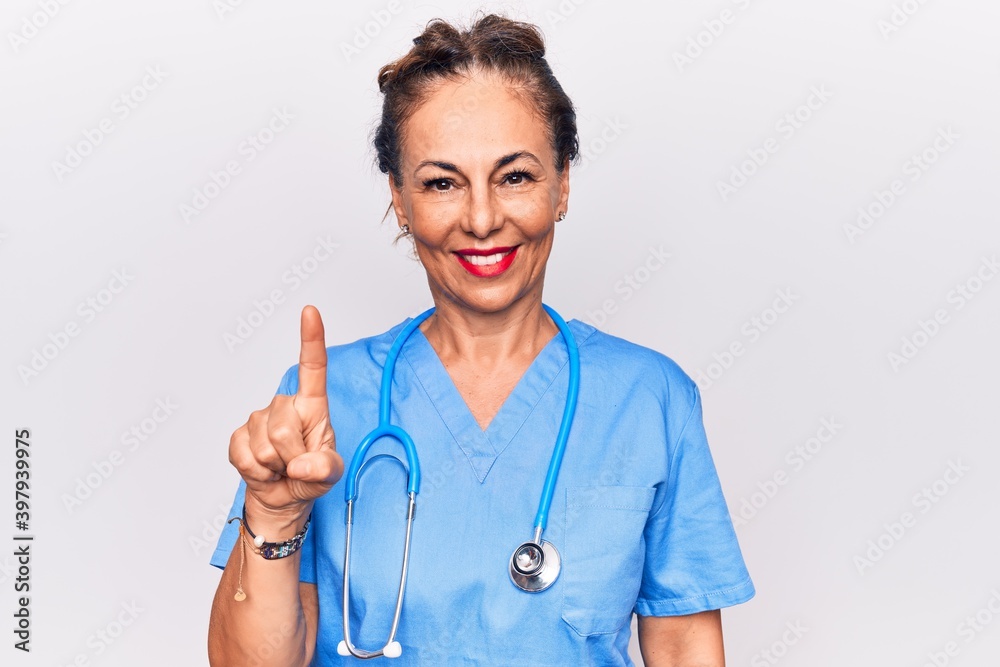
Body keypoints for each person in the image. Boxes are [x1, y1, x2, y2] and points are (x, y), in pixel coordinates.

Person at [208, 14, 753, 666]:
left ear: (562, 186)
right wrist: (271, 513)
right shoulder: (322, 409)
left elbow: (685, 644)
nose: (483, 217)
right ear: (401, 200)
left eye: (515, 176)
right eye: (442, 182)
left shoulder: (649, 398)